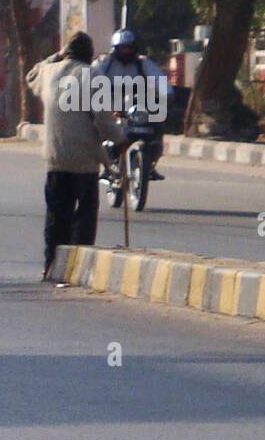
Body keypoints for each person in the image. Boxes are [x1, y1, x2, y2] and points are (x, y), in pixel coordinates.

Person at [27, 31, 128, 280]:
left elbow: (31, 74)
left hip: (55, 157)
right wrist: (120, 141)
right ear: (88, 54)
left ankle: (50, 265)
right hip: (84, 159)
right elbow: (103, 120)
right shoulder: (92, 75)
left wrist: (58, 55)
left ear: (66, 52)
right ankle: (78, 267)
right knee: (84, 213)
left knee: (56, 214)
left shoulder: (48, 73)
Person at [93, 28, 168, 181]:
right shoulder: (104, 63)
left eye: (128, 47)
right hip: (110, 104)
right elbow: (91, 78)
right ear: (115, 49)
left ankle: (151, 164)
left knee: (157, 126)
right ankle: (106, 165)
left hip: (137, 106)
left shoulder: (143, 63)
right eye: (122, 48)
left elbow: (159, 79)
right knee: (98, 128)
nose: (126, 51)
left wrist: (168, 94)